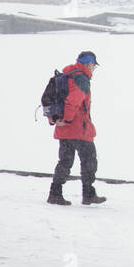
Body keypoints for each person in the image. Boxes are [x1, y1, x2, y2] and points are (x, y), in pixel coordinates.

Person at [48, 50, 106, 206]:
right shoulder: (81, 79)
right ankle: (88, 194)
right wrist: (67, 119)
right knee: (89, 160)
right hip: (78, 129)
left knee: (65, 161)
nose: (94, 69)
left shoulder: (67, 75)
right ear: (89, 64)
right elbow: (73, 101)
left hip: (65, 129)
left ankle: (55, 193)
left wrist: (59, 120)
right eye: (94, 65)